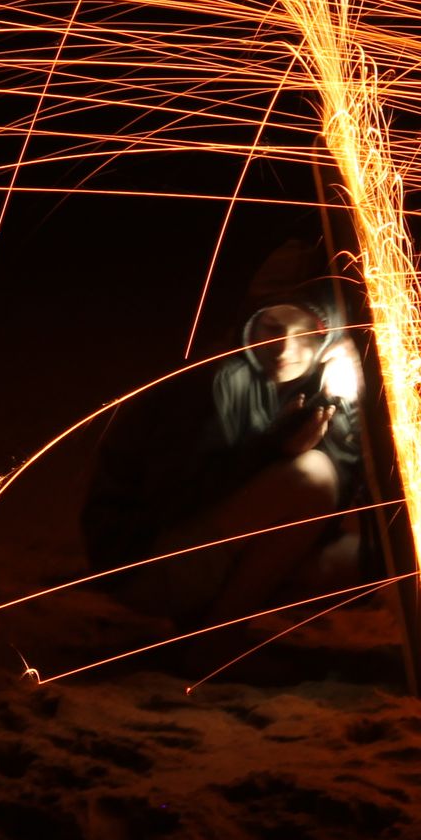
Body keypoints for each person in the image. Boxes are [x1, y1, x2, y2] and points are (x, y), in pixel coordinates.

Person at [80, 241, 370, 632]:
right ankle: (214, 643)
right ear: (250, 321)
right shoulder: (216, 382)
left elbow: (333, 511)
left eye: (306, 333)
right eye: (273, 326)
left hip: (201, 548)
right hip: (143, 563)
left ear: (329, 336)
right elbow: (175, 502)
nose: (285, 347)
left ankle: (206, 625)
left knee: (362, 558)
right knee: (312, 475)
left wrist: (349, 404)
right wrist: (273, 451)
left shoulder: (318, 381)